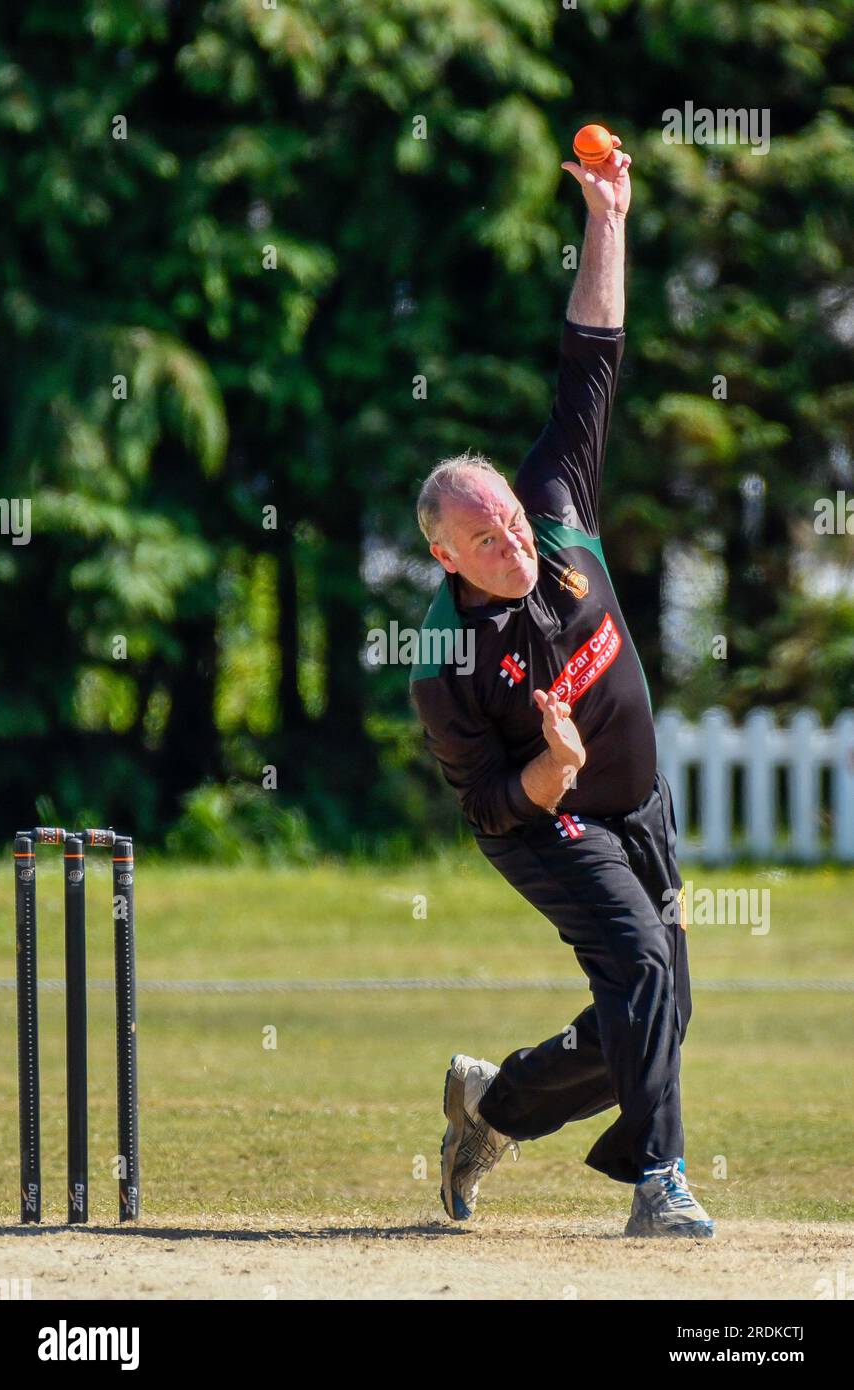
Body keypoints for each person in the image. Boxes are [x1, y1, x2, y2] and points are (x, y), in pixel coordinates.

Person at [409, 134, 714, 1239]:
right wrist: (547, 768)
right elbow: (485, 804)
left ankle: (491, 1104)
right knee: (636, 962)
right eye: (480, 538)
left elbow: (589, 352)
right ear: (445, 557)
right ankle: (660, 1185)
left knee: (658, 1012)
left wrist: (607, 218)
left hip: (637, 800)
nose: (510, 541)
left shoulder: (550, 499)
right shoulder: (445, 663)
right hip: (549, 825)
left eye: (505, 517)